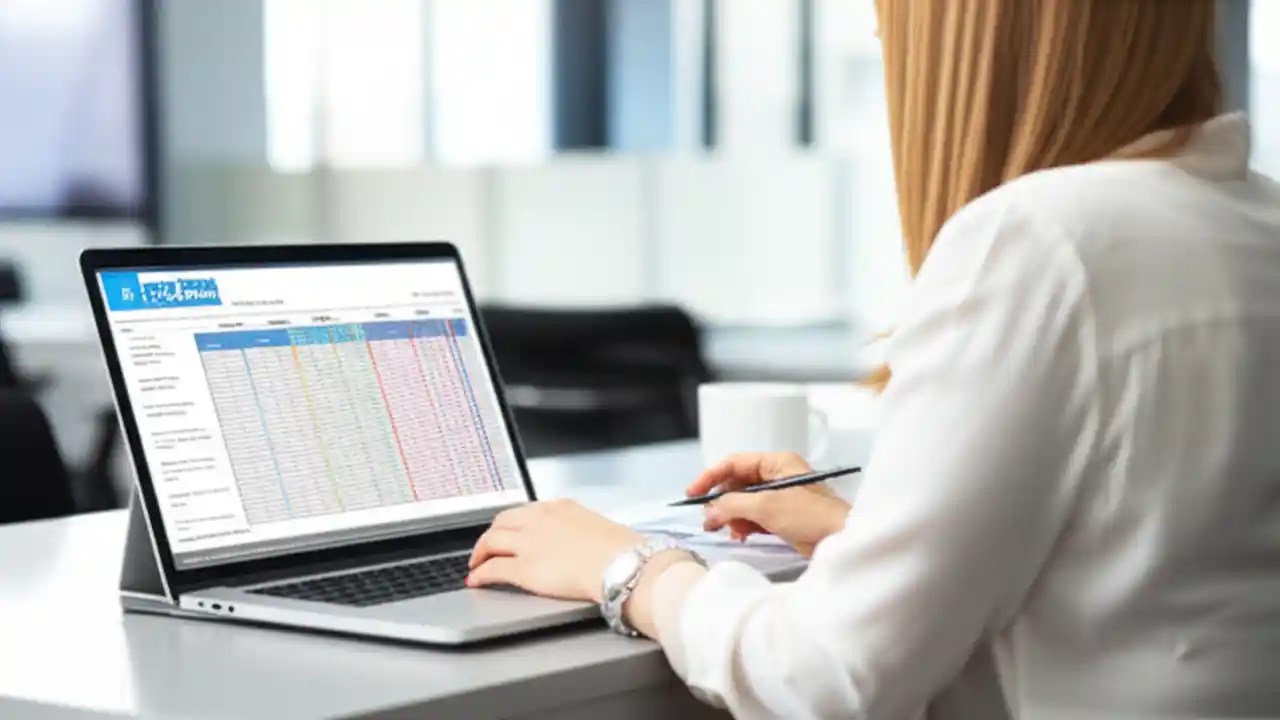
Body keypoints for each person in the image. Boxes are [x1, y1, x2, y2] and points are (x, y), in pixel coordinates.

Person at [467, 1, 1280, 717]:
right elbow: (1138, 566)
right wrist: (871, 544)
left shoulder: (1040, 239)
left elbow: (829, 682)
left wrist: (629, 567)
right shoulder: (1254, 219)